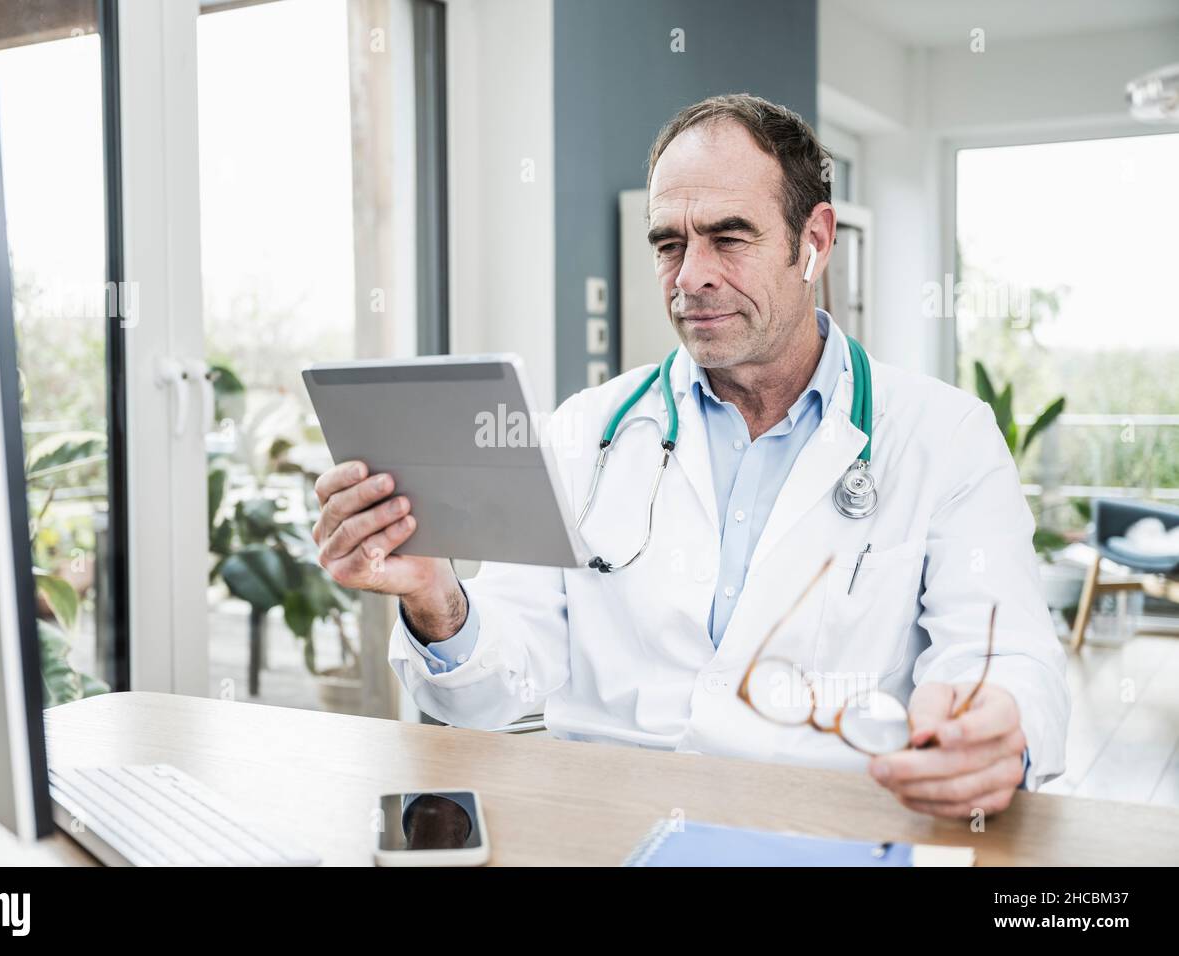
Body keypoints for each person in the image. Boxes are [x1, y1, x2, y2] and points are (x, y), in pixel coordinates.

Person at [311, 93, 1069, 819]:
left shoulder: (947, 438)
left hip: (828, 830)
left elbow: (1006, 659)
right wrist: (434, 595)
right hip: (605, 823)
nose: (692, 276)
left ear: (814, 240)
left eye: (729, 237)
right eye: (669, 244)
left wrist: (987, 725)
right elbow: (493, 691)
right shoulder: (589, 432)